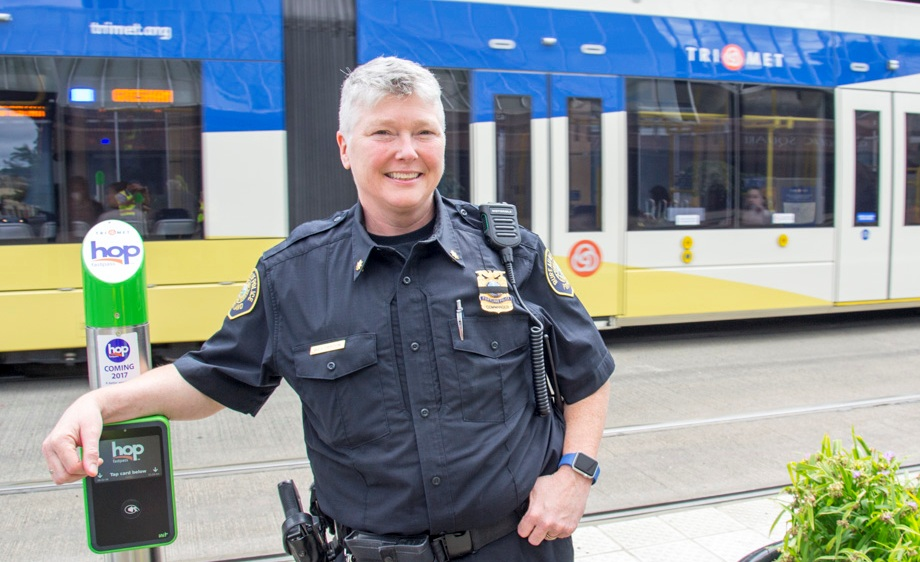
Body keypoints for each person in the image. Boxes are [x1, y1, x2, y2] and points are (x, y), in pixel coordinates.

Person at [42, 56, 614, 561]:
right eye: (383, 132)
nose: (406, 152)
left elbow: (587, 371)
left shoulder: (510, 252)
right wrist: (101, 403)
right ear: (345, 148)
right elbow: (212, 378)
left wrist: (576, 473)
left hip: (515, 547)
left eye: (424, 132)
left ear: (443, 142)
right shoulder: (293, 275)